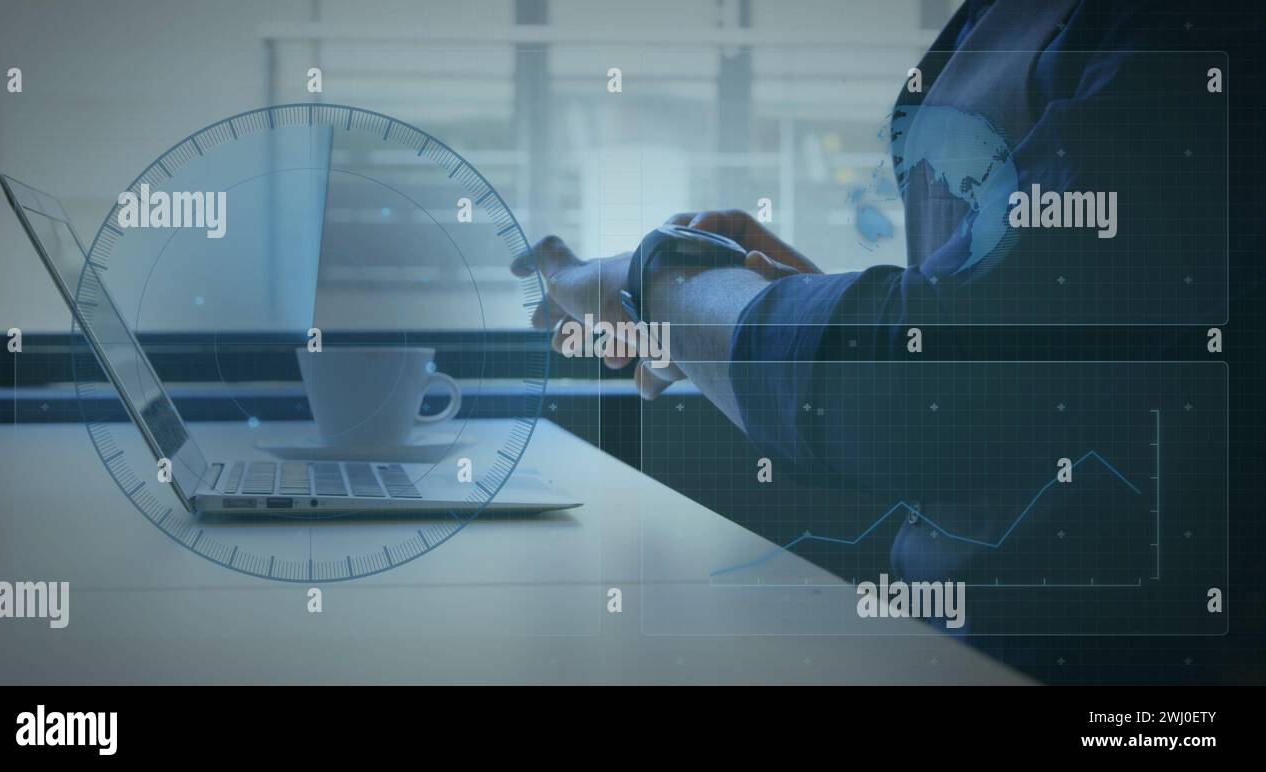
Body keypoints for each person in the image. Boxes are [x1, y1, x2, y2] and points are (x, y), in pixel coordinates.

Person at [510, 0, 1226, 636]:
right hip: (952, 616)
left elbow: (925, 391)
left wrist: (654, 279)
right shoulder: (992, 15)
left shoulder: (1193, 31)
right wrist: (764, 313)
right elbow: (977, 347)